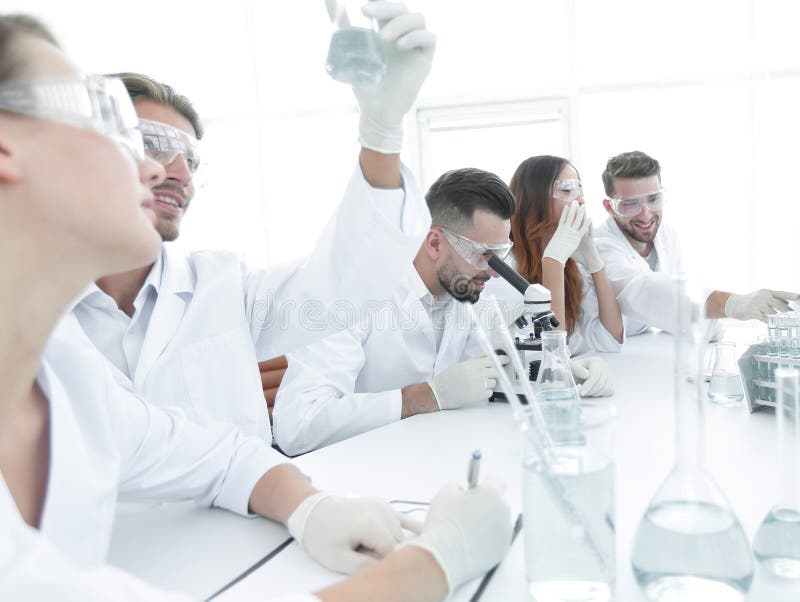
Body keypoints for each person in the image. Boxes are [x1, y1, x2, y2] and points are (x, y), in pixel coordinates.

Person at [0, 14, 512, 602]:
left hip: (243, 560)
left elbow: (221, 450)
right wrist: (438, 561)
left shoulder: (65, 369)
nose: (165, 172)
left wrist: (309, 505)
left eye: (189, 157)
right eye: (126, 137)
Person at [70, 1, 436, 440]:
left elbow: (349, 281)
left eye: (190, 158)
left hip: (242, 510)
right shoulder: (24, 308)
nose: (181, 173)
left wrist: (382, 128)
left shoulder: (223, 288)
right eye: (153, 144)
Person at [274, 167, 562, 455]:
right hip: (361, 469)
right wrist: (423, 397)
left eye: (499, 256)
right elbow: (298, 424)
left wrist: (554, 369)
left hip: (435, 457)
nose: (494, 273)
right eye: (483, 254)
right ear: (434, 243)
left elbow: (490, 377)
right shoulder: (351, 295)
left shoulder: (470, 293)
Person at [595, 150, 798, 334]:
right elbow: (647, 292)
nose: (646, 215)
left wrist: (707, 326)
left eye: (653, 199)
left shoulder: (665, 234)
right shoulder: (600, 246)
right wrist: (732, 303)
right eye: (630, 204)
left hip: (647, 349)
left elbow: (677, 305)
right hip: (609, 357)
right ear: (609, 207)